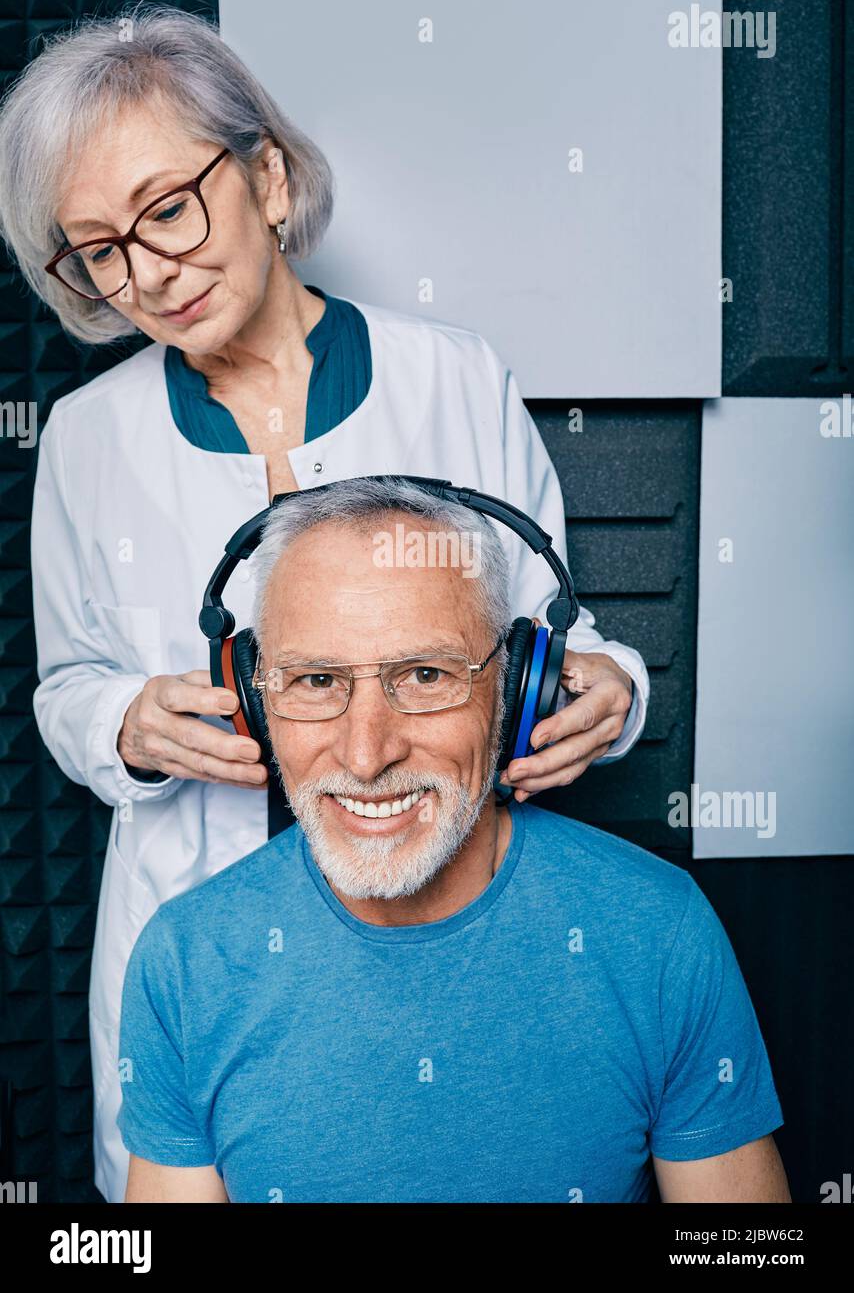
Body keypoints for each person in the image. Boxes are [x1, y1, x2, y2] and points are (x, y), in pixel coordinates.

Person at [0, 4, 648, 1202]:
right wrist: (121, 725)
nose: (145, 272)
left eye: (168, 210)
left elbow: (559, 627)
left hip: (455, 913)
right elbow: (66, 688)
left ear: (268, 174)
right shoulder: (85, 441)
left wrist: (614, 685)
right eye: (98, 247)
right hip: (206, 940)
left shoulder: (450, 375)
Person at [118, 478, 788, 1204]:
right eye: (315, 679)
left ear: (514, 686)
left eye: (426, 674)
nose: (367, 755)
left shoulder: (657, 930)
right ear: (253, 700)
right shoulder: (185, 959)